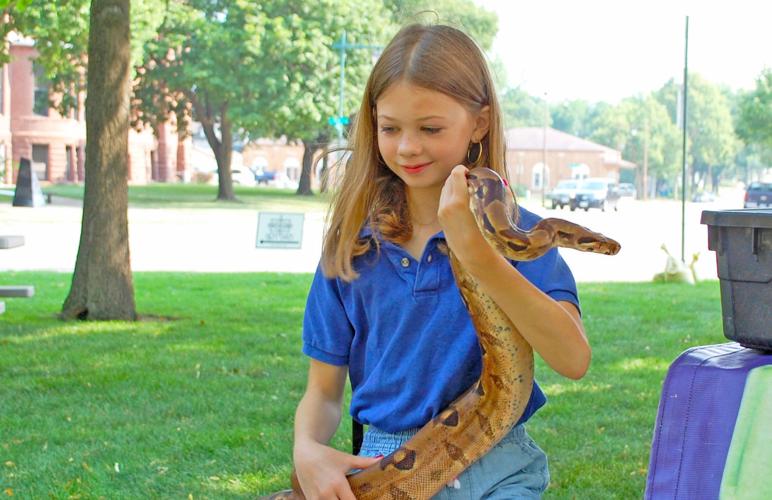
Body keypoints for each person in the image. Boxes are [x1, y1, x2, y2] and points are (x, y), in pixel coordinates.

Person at [292, 23, 589, 500]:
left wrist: (477, 253)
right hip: (385, 464)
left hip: (499, 465)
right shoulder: (352, 247)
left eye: (430, 129)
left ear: (479, 123)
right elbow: (323, 392)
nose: (408, 146)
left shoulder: (525, 237)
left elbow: (572, 359)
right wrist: (307, 448)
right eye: (390, 128)